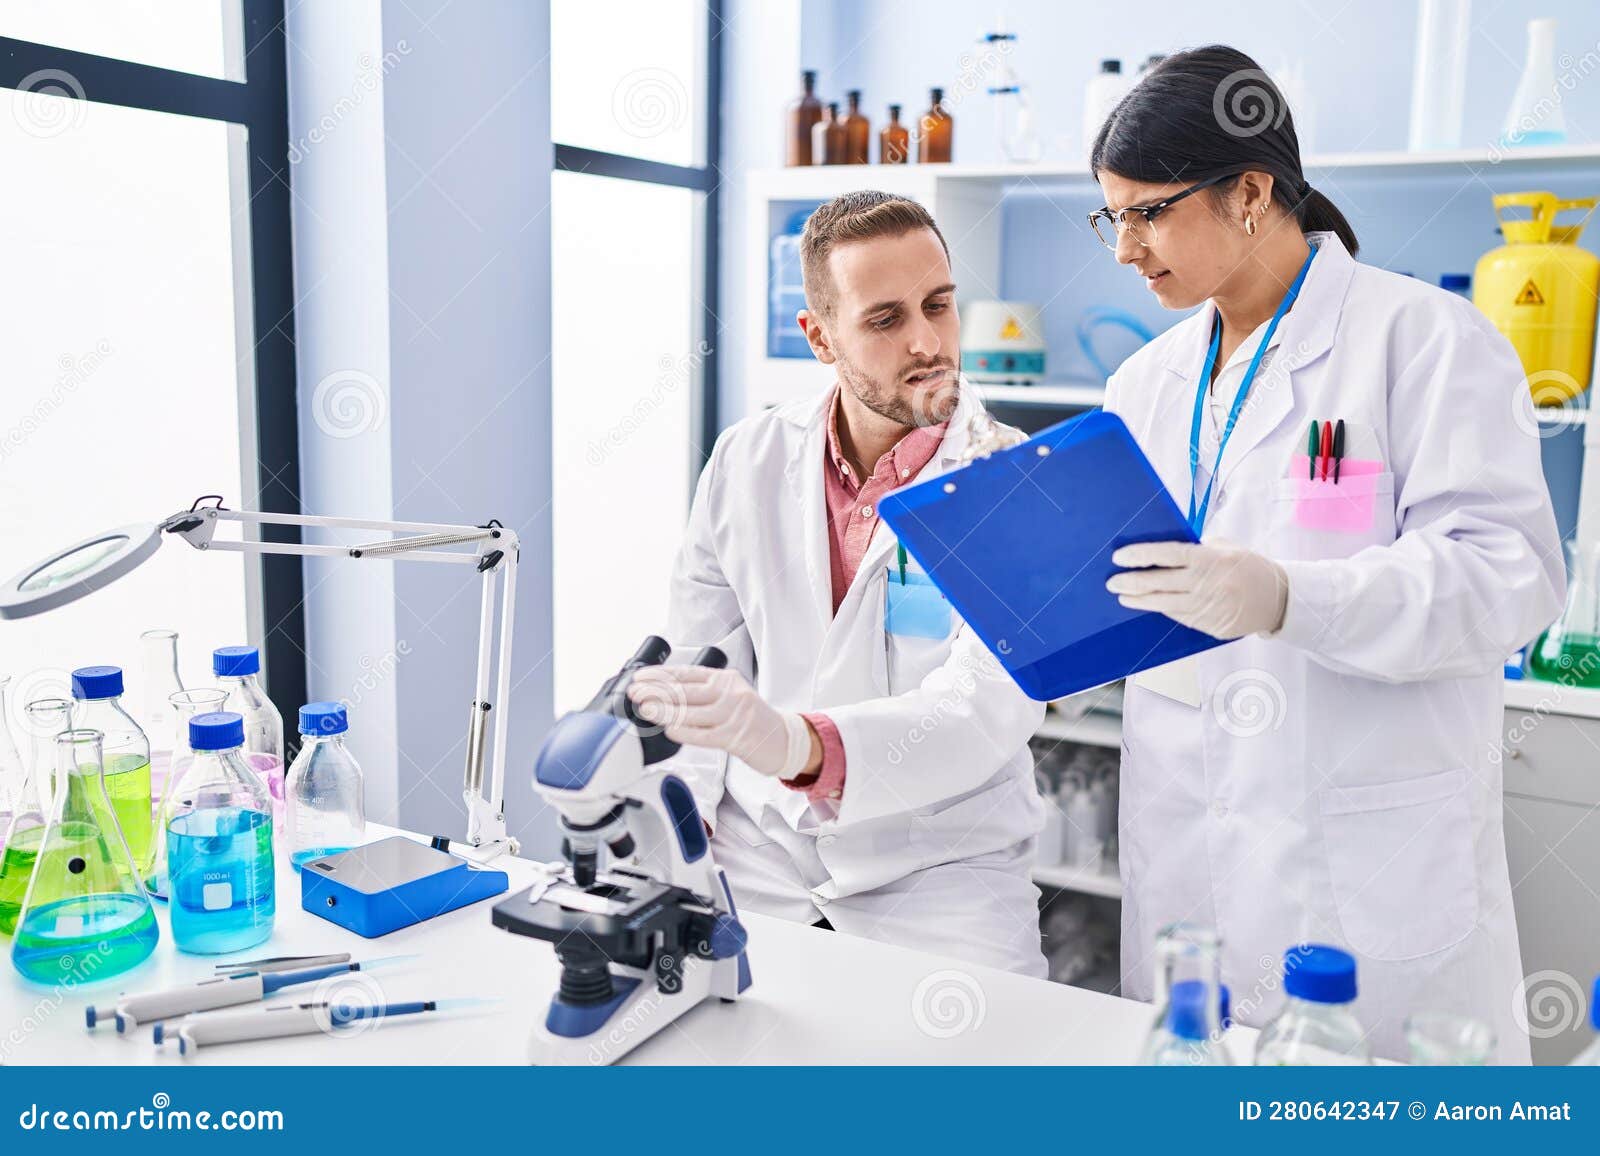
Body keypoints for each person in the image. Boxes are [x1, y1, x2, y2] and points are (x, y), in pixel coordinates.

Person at [1089, 46, 1562, 1061]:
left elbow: (1507, 575)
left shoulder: (1426, 342)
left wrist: (1285, 598)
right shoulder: (1143, 383)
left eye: (1149, 213)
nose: (1124, 248)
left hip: (1366, 874)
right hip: (1186, 850)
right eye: (1112, 217)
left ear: (1252, 191)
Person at [625, 191, 1048, 976]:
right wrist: (677, 827)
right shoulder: (746, 459)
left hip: (941, 870)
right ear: (819, 337)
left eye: (939, 305)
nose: (927, 342)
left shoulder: (1012, 479)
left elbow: (989, 708)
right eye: (885, 320)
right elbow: (703, 661)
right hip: (759, 852)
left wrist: (798, 743)